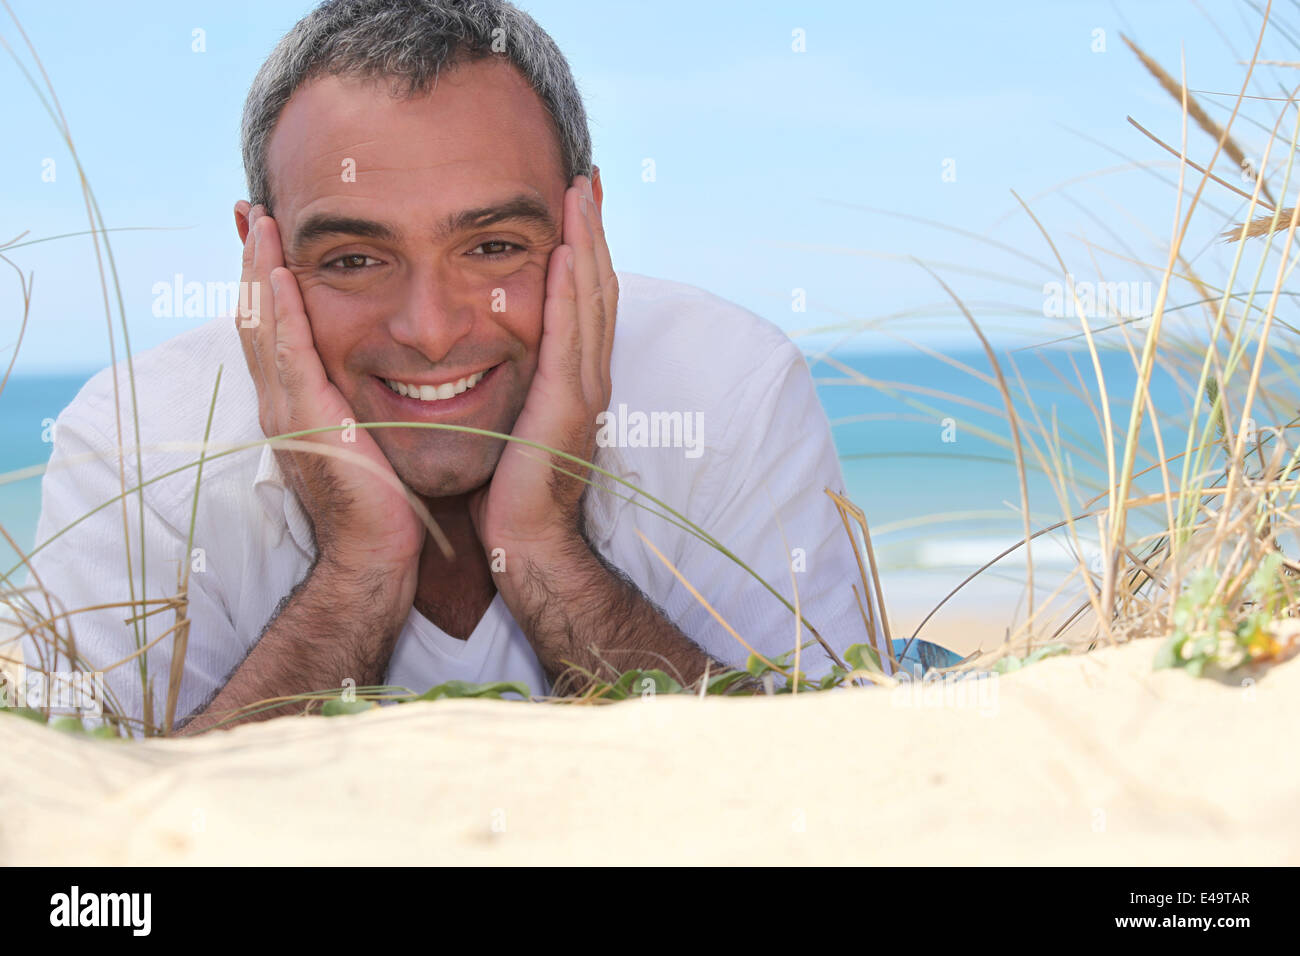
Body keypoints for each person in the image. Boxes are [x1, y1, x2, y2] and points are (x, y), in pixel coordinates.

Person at [21, 0, 882, 735]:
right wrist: (359, 571)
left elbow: (834, 796)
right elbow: (93, 843)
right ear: (260, 256)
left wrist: (542, 548)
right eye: (355, 258)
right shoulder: (134, 446)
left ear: (587, 229)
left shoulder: (728, 386)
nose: (431, 331)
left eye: (494, 247)